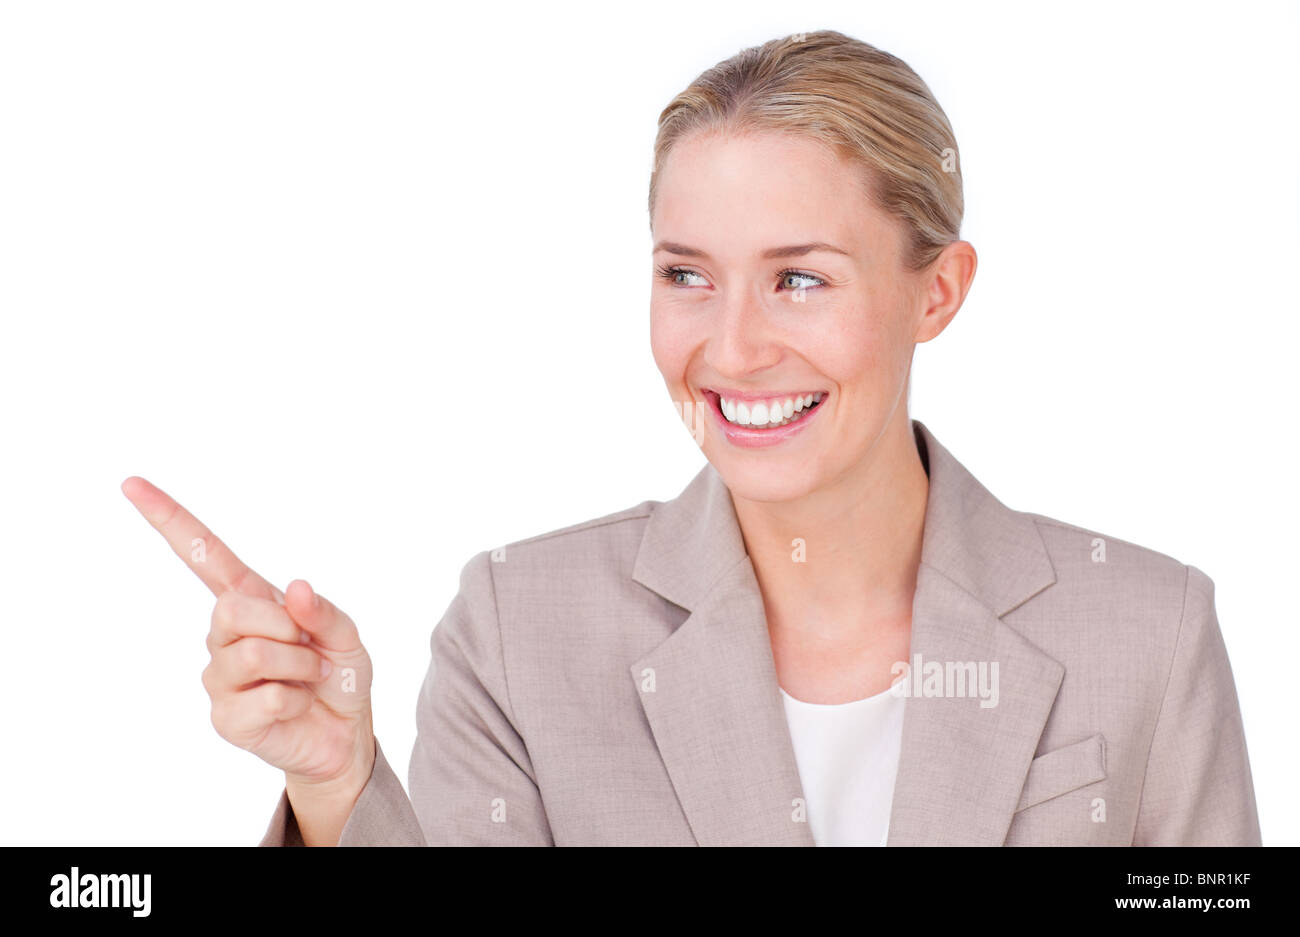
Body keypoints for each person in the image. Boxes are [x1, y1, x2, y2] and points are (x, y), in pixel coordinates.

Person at [122, 29, 1261, 846]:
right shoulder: (520, 632)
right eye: (686, 275)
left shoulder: (1145, 633)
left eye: (799, 279)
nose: (732, 348)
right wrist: (335, 788)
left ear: (938, 292)